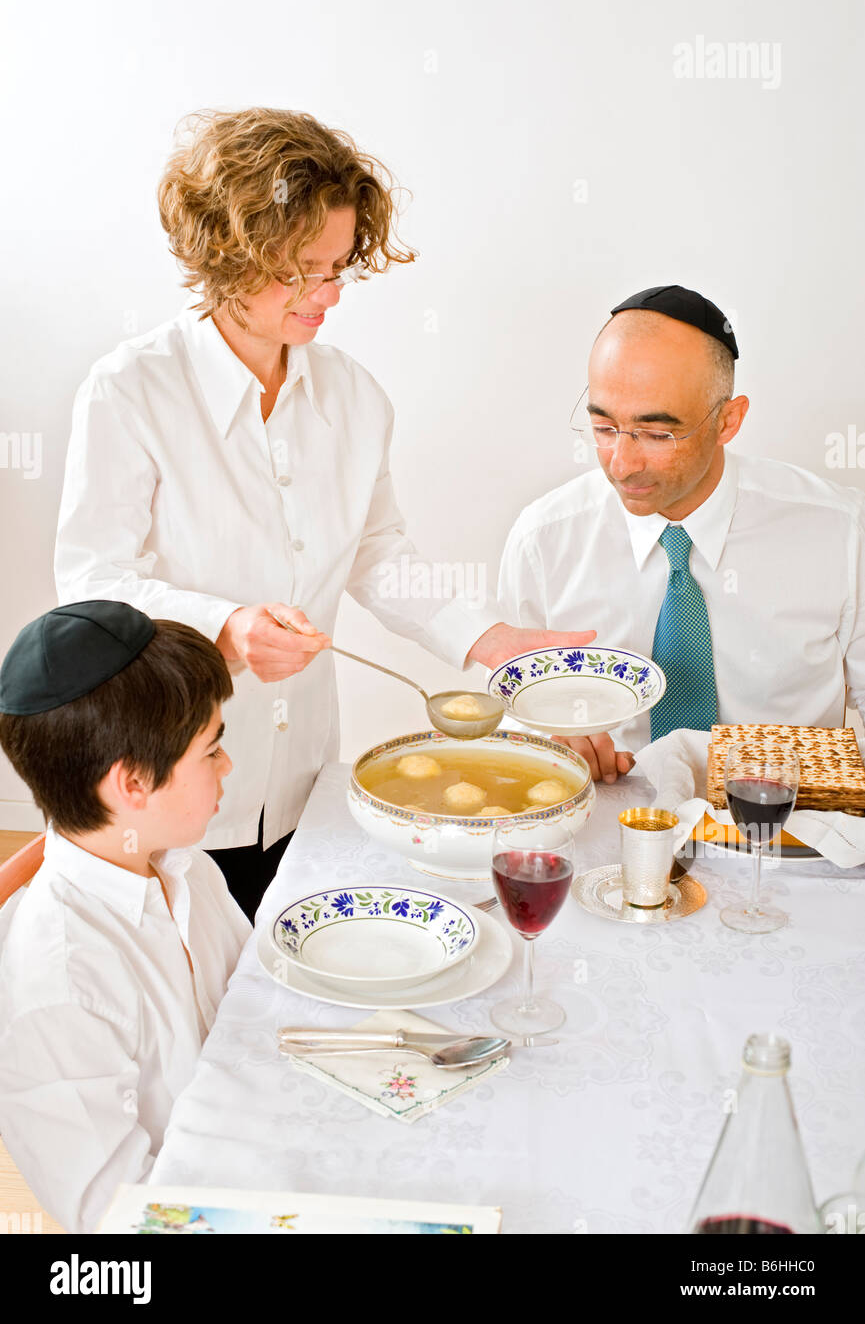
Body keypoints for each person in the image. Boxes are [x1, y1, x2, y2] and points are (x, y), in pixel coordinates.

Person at [54, 108, 594, 918]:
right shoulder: (132, 391)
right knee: (189, 1014)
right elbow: (92, 585)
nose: (329, 296)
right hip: (171, 786)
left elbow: (377, 551)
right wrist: (228, 627)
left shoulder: (352, 395)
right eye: (301, 271)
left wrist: (488, 639)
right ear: (225, 253)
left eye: (338, 267)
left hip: (305, 777)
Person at [498, 284, 865, 780]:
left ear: (728, 421)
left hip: (785, 835)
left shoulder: (839, 532)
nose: (622, 465)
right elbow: (515, 729)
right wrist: (551, 745)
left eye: (657, 434)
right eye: (604, 428)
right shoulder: (544, 541)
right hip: (605, 828)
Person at [0, 601, 250, 1233]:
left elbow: (255, 1005)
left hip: (260, 1134)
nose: (228, 767)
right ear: (132, 784)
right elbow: (123, 1223)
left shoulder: (183, 865)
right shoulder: (58, 987)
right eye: (211, 751)